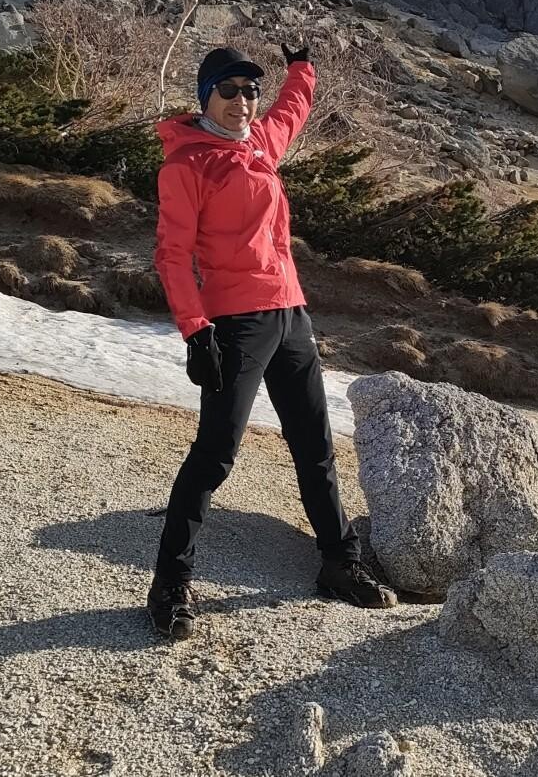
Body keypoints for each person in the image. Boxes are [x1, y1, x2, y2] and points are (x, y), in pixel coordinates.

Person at [147, 42, 397, 639]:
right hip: (237, 323)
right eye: (228, 90)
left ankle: (339, 562)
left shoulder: (259, 143)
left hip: (291, 314)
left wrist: (302, 67)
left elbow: (292, 111)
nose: (242, 101)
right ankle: (169, 583)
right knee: (215, 454)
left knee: (315, 445)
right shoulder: (188, 165)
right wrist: (194, 329)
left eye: (249, 91)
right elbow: (172, 256)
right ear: (205, 95)